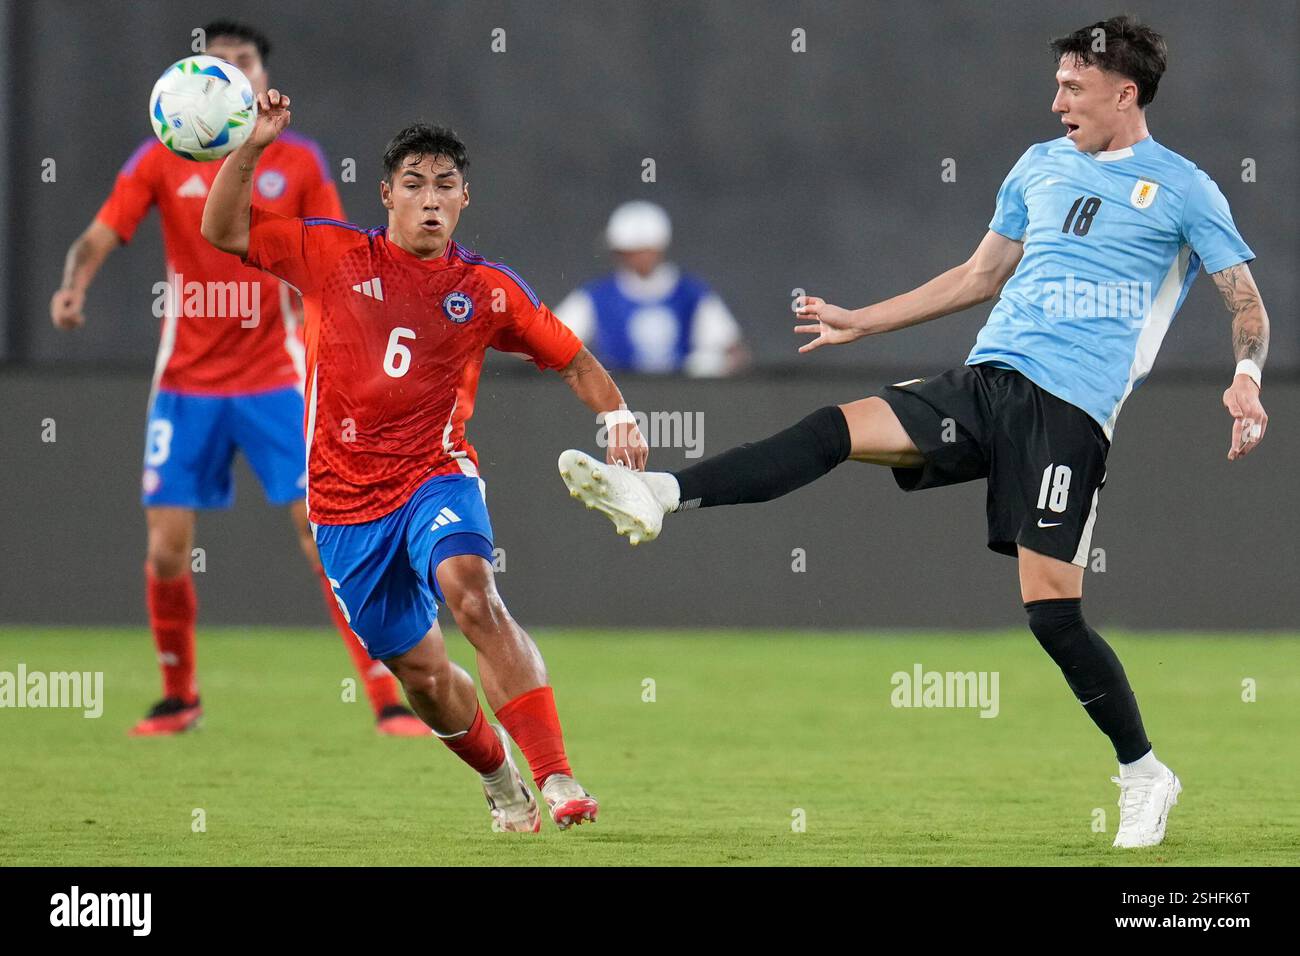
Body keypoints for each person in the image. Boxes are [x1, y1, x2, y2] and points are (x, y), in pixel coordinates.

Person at [559, 15, 1270, 849]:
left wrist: (1247, 377)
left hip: (1071, 413)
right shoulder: (1038, 167)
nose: (1056, 103)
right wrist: (865, 322)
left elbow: (1244, 301)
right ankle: (661, 491)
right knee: (834, 428)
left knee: (1052, 617)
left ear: (1126, 91)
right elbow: (980, 274)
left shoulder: (1184, 188)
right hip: (986, 380)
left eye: (1073, 88)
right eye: (1057, 86)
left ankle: (1143, 771)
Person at [201, 96, 649, 831]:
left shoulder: (487, 289)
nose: (430, 198)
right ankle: (501, 776)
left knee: (473, 592)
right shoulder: (331, 254)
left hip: (435, 476)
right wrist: (250, 147)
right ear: (386, 195)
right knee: (427, 677)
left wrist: (618, 415)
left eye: (445, 184)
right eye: (413, 183)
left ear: (466, 198)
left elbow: (573, 358)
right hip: (344, 506)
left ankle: (557, 774)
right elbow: (221, 229)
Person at [50, 20, 426, 737]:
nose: (227, 71)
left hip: (274, 378)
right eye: (213, 61)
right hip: (186, 382)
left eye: (241, 60)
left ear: (260, 75)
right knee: (165, 545)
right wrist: (75, 285)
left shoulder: (300, 159)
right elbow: (101, 231)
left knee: (323, 534)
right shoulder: (160, 157)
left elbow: (340, 253)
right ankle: (178, 696)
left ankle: (386, 695)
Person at [554, 200, 747, 375]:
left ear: (657, 248)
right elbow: (550, 342)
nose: (634, 258)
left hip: (684, 401)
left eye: (638, 251)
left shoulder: (692, 294)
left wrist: (711, 366)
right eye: (626, 252)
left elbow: (734, 351)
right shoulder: (596, 296)